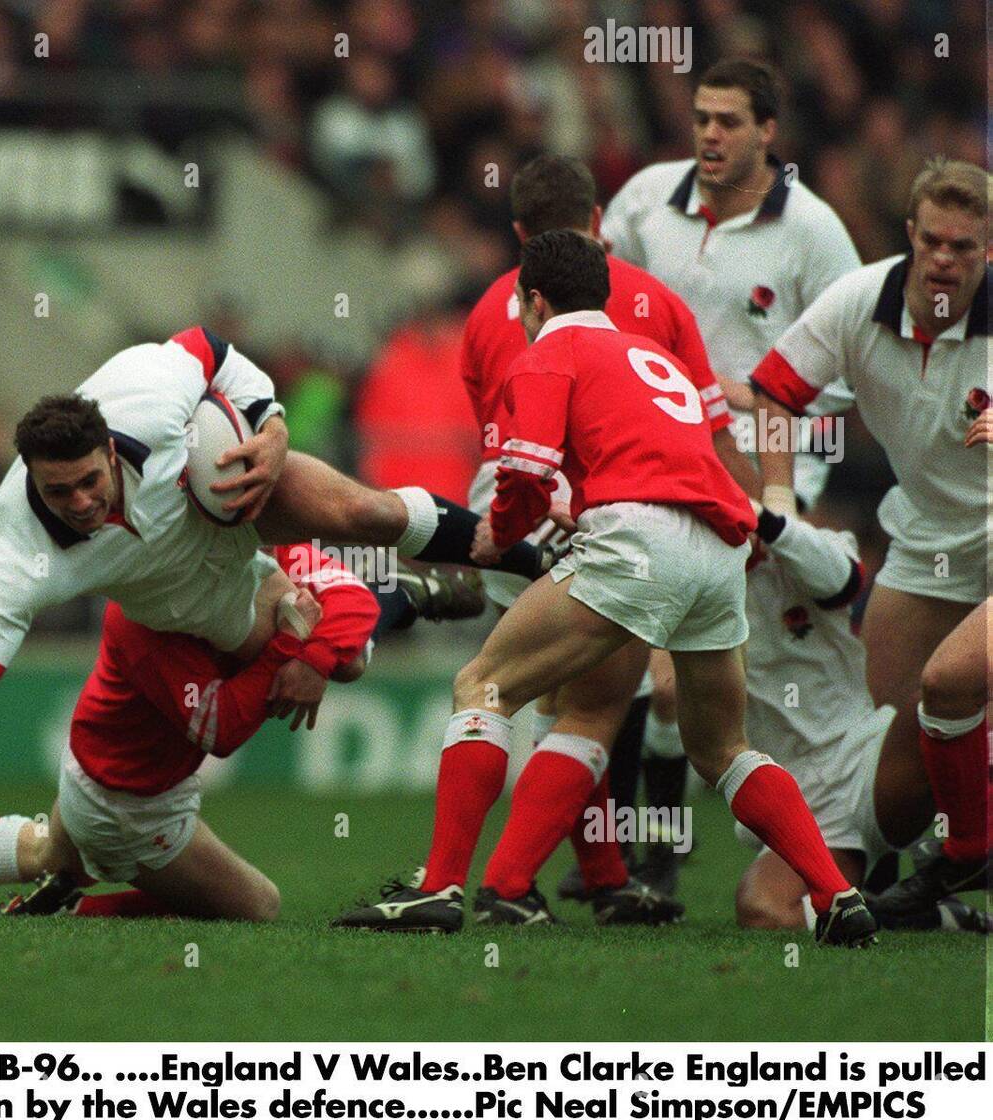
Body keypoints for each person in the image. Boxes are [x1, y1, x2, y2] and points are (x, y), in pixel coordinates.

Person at [334, 230, 877, 948]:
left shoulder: (548, 352)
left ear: (533, 301)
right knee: (722, 747)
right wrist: (579, 507)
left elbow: (522, 474)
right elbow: (664, 459)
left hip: (638, 543)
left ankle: (437, 888)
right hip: (717, 546)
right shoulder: (653, 357)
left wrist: (502, 530)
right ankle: (837, 894)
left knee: (483, 685)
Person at [0, 328, 546, 904]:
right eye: (58, 490)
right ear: (29, 479)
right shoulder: (16, 550)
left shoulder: (147, 396)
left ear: (111, 449)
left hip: (237, 516)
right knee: (347, 649)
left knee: (365, 515)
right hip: (204, 604)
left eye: (89, 481)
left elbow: (213, 349)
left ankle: (535, 554)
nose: (79, 502)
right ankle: (397, 596)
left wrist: (273, 427)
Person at [459, 152, 743, 923]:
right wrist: (752, 512)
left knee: (559, 699)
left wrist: (496, 529)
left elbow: (495, 430)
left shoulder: (494, 306)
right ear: (598, 222)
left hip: (522, 509)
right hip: (619, 515)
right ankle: (511, 881)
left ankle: (588, 876)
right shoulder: (654, 303)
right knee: (588, 703)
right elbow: (709, 431)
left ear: (520, 234)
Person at [0, 543, 379, 920]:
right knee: (259, 904)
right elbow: (223, 729)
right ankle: (78, 908)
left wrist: (317, 657)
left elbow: (353, 598)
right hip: (132, 802)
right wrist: (289, 646)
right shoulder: (144, 616)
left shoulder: (258, 548)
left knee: (48, 851)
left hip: (97, 762)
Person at [601, 57, 862, 813]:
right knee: (638, 652)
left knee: (681, 665)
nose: (710, 135)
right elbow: (598, 288)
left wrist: (759, 391)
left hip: (759, 465)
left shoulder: (811, 228)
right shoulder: (649, 199)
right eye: (701, 119)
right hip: (656, 450)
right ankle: (633, 851)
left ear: (768, 131)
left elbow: (852, 360)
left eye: (729, 122)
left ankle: (655, 845)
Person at [750, 158, 990, 921]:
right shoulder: (860, 300)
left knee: (952, 682)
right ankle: (916, 899)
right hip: (927, 541)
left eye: (966, 246)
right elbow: (773, 389)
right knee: (890, 746)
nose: (946, 260)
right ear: (911, 237)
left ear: (989, 250)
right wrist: (781, 504)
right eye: (934, 243)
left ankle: (966, 857)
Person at [732, 506, 988, 934]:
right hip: (799, 801)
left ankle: (970, 848)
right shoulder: (695, 571)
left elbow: (844, 579)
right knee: (765, 913)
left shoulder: (802, 547)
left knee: (949, 689)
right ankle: (908, 912)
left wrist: (766, 521)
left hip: (867, 760)